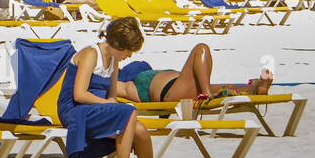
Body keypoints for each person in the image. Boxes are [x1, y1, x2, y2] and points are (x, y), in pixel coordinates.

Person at [65, 18, 168, 158]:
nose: (130, 55)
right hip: (76, 110)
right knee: (128, 112)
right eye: (128, 50)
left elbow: (111, 96)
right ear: (117, 45)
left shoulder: (114, 61)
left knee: (140, 130)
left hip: (96, 109)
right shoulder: (91, 54)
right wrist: (113, 107)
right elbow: (79, 94)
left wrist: (113, 106)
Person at [117, 42, 274, 106]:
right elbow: (107, 87)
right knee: (202, 49)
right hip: (172, 91)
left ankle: (255, 88)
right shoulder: (124, 83)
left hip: (182, 87)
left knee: (226, 86)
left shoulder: (129, 77)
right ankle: (207, 95)